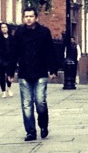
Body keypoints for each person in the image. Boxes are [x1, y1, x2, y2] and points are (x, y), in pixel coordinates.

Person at [10, 8, 58, 140]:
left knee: (40, 101)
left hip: (40, 71)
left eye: (31, 16)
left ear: (36, 18)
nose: (29, 19)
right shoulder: (19, 32)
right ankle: (30, 131)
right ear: (23, 18)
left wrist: (53, 69)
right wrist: (10, 71)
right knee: (26, 103)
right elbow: (14, 53)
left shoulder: (44, 32)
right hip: (24, 72)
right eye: (26, 16)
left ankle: (43, 125)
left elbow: (50, 51)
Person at [0, 22, 15, 96]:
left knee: (9, 74)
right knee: (2, 75)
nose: (4, 29)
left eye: (5, 27)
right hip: (1, 58)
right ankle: (3, 91)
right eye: (2, 27)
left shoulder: (12, 37)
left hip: (10, 58)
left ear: (8, 28)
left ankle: (9, 88)